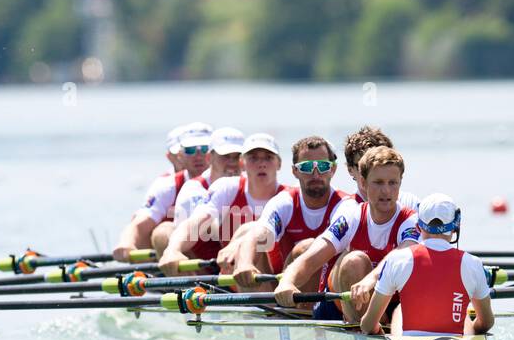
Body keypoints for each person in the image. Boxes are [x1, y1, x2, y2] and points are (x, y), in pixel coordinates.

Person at [273, 145, 418, 323]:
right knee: (354, 261)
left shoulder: (410, 221)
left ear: (400, 183)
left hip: (388, 303)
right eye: (378, 182)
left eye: (392, 183)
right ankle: (367, 329)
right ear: (363, 183)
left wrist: (371, 279)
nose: (386, 191)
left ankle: (376, 328)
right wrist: (287, 280)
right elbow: (313, 257)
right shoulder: (351, 216)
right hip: (342, 305)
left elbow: (401, 255)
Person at [359, 193, 494, 336]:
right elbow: (487, 322)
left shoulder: (398, 259)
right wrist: (471, 331)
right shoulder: (473, 263)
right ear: (456, 227)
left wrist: (380, 336)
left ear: (418, 226)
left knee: (400, 309)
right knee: (464, 316)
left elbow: (368, 325)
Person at [158, 133, 287, 276]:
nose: (261, 164)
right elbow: (196, 221)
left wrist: (238, 243)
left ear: (279, 164)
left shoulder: (287, 196)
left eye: (268, 158)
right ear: (242, 163)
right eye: (253, 158)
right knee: (164, 232)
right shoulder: (226, 188)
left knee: (250, 233)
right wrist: (173, 249)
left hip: (282, 276)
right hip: (236, 275)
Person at [232, 135, 350, 290]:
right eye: (307, 167)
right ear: (295, 171)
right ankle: (268, 308)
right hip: (285, 288)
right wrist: (245, 263)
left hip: (329, 296)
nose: (315, 174)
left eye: (323, 166)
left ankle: (305, 311)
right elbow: (259, 234)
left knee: (307, 247)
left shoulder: (345, 205)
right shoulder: (285, 202)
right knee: (249, 243)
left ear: (333, 170)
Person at [112, 122, 212, 261]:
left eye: (205, 149)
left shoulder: (231, 181)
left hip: (216, 249)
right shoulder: (167, 185)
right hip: (179, 252)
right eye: (190, 150)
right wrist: (126, 244)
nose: (198, 156)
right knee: (163, 232)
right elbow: (139, 223)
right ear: (180, 155)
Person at [342, 126, 421, 210]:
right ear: (350, 170)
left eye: (380, 163)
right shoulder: (346, 210)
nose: (372, 171)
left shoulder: (409, 203)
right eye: (362, 165)